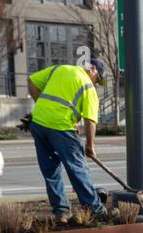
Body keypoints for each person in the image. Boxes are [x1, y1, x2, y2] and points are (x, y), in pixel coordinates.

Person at [26, 57, 106, 221]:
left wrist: (42, 106)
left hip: (39, 123)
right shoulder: (87, 86)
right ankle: (95, 209)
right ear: (92, 69)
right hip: (61, 127)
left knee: (50, 169)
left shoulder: (59, 68)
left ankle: (61, 211)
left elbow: (32, 81)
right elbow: (91, 121)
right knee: (77, 168)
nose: (96, 84)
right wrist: (90, 146)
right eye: (97, 79)